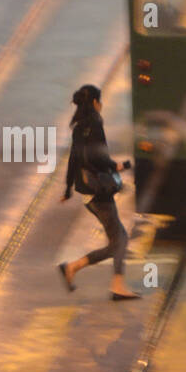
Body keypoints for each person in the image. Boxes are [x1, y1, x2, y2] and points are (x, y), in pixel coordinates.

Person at [58, 85, 139, 301]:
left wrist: (68, 189)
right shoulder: (95, 123)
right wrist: (118, 165)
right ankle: (76, 268)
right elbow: (98, 156)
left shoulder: (78, 128)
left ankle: (115, 284)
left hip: (88, 192)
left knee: (119, 238)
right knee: (119, 240)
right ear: (95, 102)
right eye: (99, 100)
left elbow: (74, 160)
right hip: (99, 191)